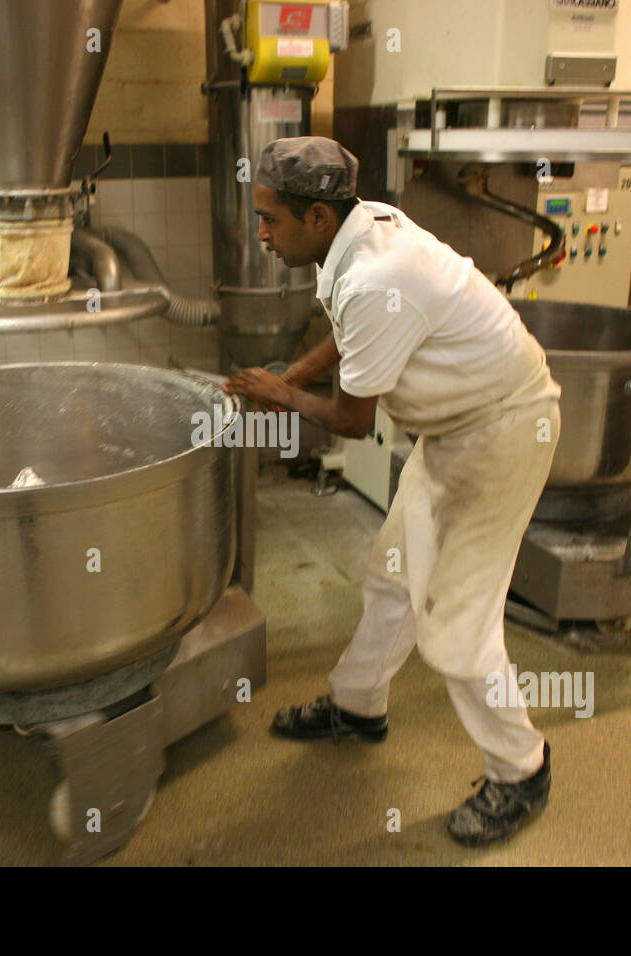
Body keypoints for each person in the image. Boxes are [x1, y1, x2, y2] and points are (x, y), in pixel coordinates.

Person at [222, 136, 562, 846]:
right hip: (456, 429)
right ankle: (358, 706)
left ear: (316, 216)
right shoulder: (353, 236)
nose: (260, 233)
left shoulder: (377, 271)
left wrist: (283, 394)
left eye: (270, 219)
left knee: (458, 629)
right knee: (392, 577)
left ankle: (520, 769)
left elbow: (351, 420)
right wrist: (292, 375)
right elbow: (351, 337)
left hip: (504, 431)